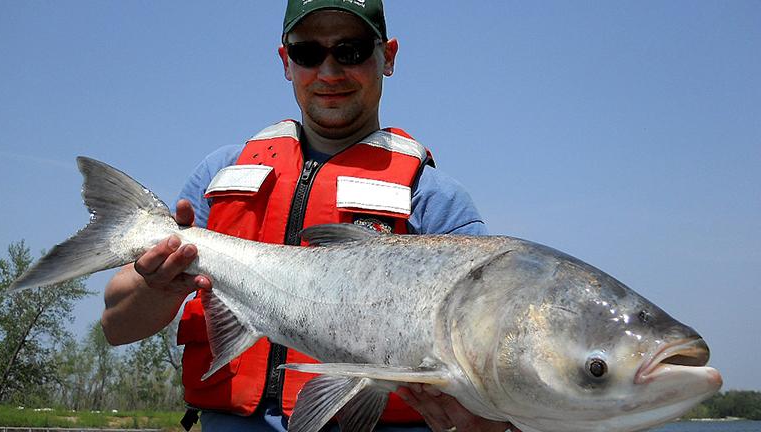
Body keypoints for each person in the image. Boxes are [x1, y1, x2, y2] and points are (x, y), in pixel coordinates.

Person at [102, 1, 519, 431]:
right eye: (308, 53)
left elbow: (495, 373)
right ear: (285, 61)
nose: (329, 71)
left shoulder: (436, 200)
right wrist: (159, 285)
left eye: (351, 50)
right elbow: (117, 326)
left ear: (388, 56)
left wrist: (489, 423)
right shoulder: (220, 175)